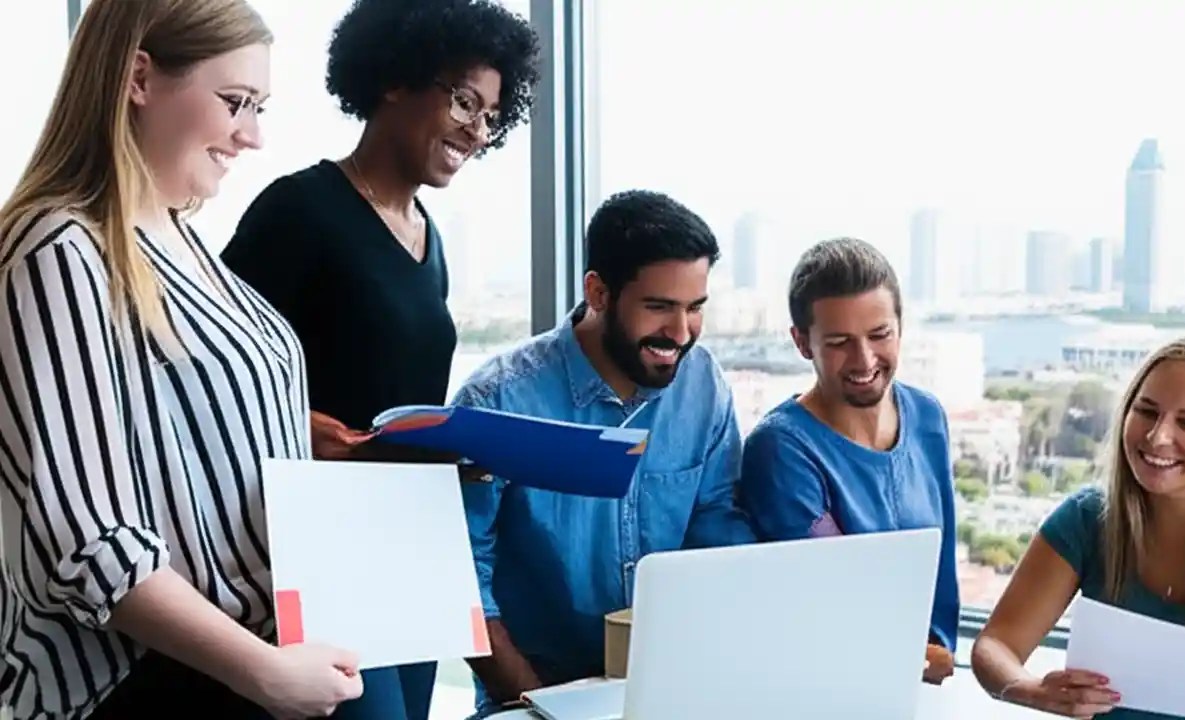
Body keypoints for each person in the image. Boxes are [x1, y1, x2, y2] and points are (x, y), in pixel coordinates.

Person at [0, 1, 365, 718]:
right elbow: (83, 537)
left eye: (258, 107)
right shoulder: (59, 252)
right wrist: (263, 672)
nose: (252, 136)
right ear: (139, 78)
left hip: (248, 661)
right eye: (235, 103)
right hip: (144, 685)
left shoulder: (179, 238)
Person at [220, 2, 538, 717]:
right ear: (394, 80)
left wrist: (454, 447)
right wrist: (302, 429)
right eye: (462, 100)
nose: (475, 129)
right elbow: (208, 376)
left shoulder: (429, 238)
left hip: (411, 535)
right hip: (321, 539)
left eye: (489, 114)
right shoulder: (298, 210)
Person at [453, 189, 757, 716]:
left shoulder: (704, 386)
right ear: (598, 291)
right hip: (530, 698)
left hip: (669, 690)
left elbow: (718, 537)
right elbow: (459, 582)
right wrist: (539, 702)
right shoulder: (496, 402)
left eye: (695, 308)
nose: (681, 333)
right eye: (659, 307)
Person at [972, 334, 1185, 719]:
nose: (1157, 435)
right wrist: (1030, 689)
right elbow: (996, 644)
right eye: (1147, 411)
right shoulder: (1086, 519)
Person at [738, 237, 960, 684]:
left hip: (925, 680)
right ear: (802, 342)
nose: (864, 360)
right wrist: (921, 659)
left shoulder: (927, 415)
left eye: (880, 335)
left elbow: (942, 569)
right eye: (839, 342)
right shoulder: (783, 448)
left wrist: (938, 653)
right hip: (831, 689)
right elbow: (833, 601)